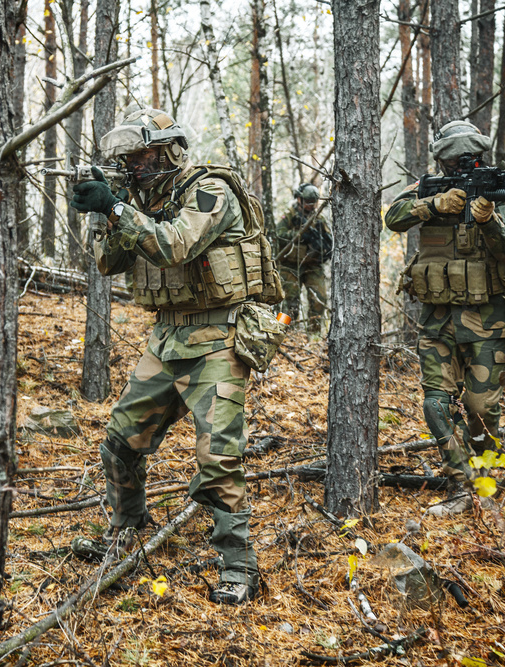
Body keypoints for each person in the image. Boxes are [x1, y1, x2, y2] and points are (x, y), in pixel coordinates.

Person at [67, 108, 283, 604]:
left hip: (218, 339)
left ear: (166, 150)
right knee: (120, 440)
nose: (135, 167)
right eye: (127, 161)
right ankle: (128, 529)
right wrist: (108, 210)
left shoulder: (209, 190)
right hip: (166, 338)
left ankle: (238, 563)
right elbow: (110, 263)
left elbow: (176, 246)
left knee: (218, 457)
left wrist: (121, 209)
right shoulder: (141, 201)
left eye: (140, 157)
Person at [384, 120, 505, 516]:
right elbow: (393, 216)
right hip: (437, 323)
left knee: (481, 409)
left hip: (486, 323)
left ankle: (487, 482)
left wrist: (487, 219)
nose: (465, 164)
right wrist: (433, 205)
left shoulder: (497, 196)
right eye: (457, 159)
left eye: (472, 157)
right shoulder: (431, 187)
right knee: (436, 405)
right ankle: (460, 486)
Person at [274, 183, 332, 334]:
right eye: (307, 202)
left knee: (319, 299)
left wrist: (324, 248)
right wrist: (299, 236)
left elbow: (328, 240)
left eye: (314, 203)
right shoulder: (289, 215)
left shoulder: (319, 218)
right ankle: (284, 334)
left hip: (313, 265)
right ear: (299, 199)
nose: (310, 206)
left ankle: (314, 335)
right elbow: (279, 235)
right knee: (290, 302)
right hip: (289, 265)